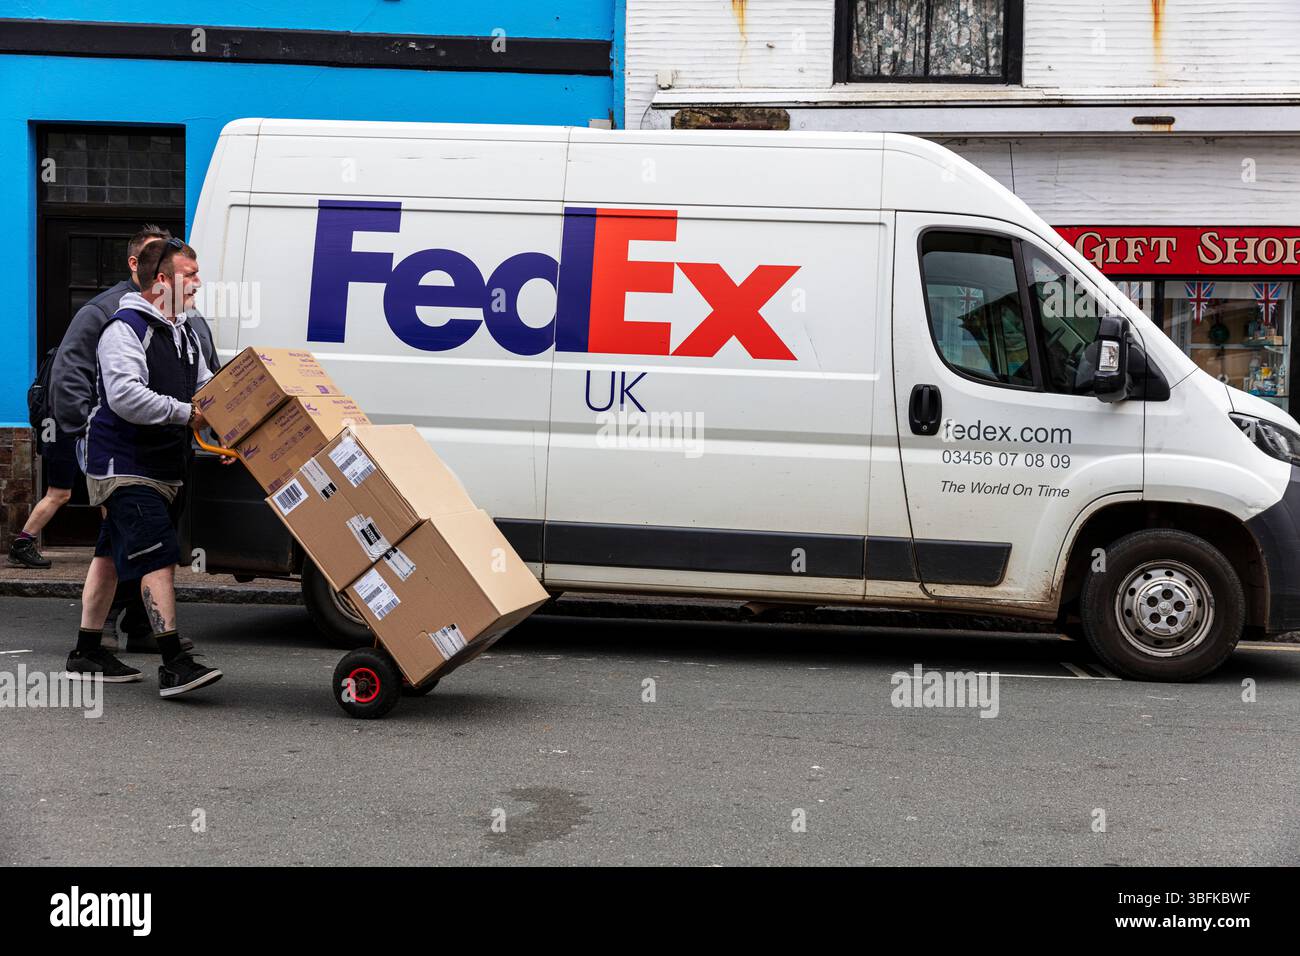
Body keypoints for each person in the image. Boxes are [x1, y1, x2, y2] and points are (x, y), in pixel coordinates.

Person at [41, 225, 220, 649]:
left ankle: (92, 649)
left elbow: (207, 389)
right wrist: (83, 436)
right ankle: (173, 658)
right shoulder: (118, 322)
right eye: (188, 274)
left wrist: (221, 433)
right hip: (122, 463)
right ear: (157, 277)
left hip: (164, 461)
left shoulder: (187, 330)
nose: (197, 283)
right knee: (157, 554)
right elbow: (119, 395)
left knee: (109, 557)